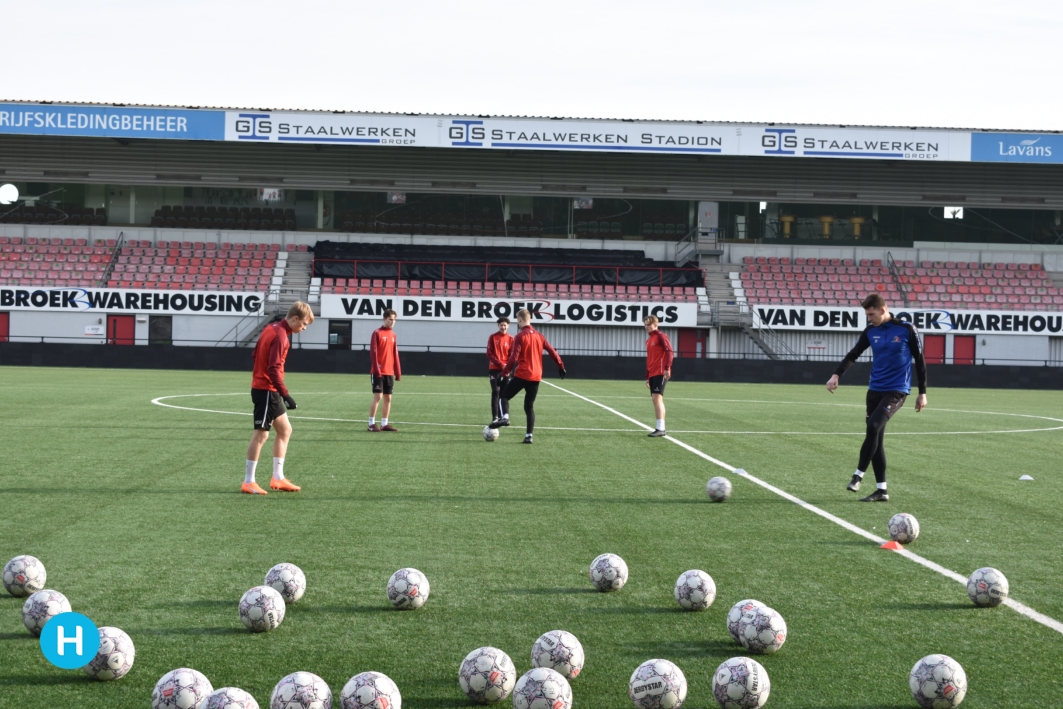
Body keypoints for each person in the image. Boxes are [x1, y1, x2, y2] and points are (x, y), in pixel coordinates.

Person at [826, 293, 928, 502]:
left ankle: (858, 475)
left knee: (873, 426)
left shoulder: (907, 329)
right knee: (876, 438)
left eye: (871, 314)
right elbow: (853, 354)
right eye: (867, 314)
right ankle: (882, 491)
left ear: (883, 309)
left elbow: (920, 360)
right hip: (874, 390)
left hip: (897, 390)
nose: (869, 318)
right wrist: (836, 374)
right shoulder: (871, 331)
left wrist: (922, 393)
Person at [244, 301, 314, 495]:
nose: (304, 328)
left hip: (268, 389)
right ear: (295, 318)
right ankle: (249, 481)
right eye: (303, 324)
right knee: (262, 434)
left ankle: (278, 477)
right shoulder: (281, 336)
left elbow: (254, 353)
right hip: (266, 390)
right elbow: (273, 369)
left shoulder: (271, 328)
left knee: (285, 430)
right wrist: (286, 395)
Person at [489, 308, 565, 444]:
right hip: (536, 377)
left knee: (504, 396)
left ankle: (505, 417)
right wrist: (561, 366)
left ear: (519, 320)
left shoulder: (520, 336)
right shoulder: (539, 336)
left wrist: (503, 373)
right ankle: (529, 435)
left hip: (523, 374)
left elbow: (513, 358)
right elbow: (552, 351)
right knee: (529, 407)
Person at [368, 309, 401, 432]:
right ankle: (371, 424)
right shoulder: (377, 333)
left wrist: (397, 371)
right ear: (384, 319)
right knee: (378, 397)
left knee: (388, 398)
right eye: (390, 319)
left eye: (394, 320)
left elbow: (395, 354)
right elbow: (373, 352)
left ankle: (384, 424)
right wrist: (376, 369)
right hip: (378, 371)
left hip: (389, 372)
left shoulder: (393, 335)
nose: (392, 322)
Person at [643, 314, 674, 437]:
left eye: (649, 325)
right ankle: (660, 428)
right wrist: (647, 376)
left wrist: (667, 368)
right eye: (645, 325)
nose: (646, 327)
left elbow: (669, 351)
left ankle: (661, 428)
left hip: (660, 371)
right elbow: (649, 358)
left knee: (657, 398)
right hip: (653, 372)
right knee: (655, 399)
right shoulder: (649, 340)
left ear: (656, 324)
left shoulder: (661, 336)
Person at [487, 316, 514, 424]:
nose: (503, 327)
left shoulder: (511, 339)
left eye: (505, 325)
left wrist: (507, 367)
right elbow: (489, 353)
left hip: (506, 370)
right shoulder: (492, 337)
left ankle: (504, 417)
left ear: (508, 326)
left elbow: (512, 355)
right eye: (501, 325)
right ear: (498, 326)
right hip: (494, 369)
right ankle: (495, 417)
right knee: (495, 391)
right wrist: (500, 364)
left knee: (504, 393)